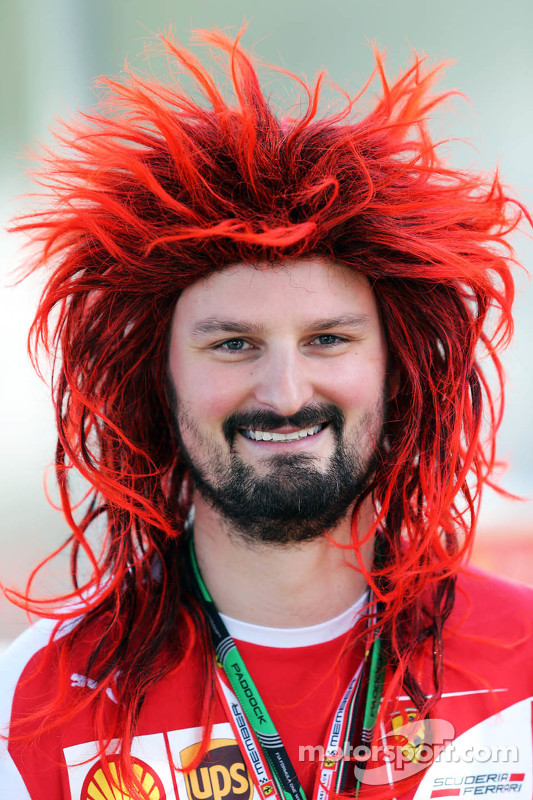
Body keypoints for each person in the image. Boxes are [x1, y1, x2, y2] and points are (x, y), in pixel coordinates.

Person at [1, 29, 532, 800]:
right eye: (233, 344)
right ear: (161, 380)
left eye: (327, 339)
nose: (284, 393)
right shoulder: (41, 695)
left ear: (396, 369)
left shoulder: (522, 658)